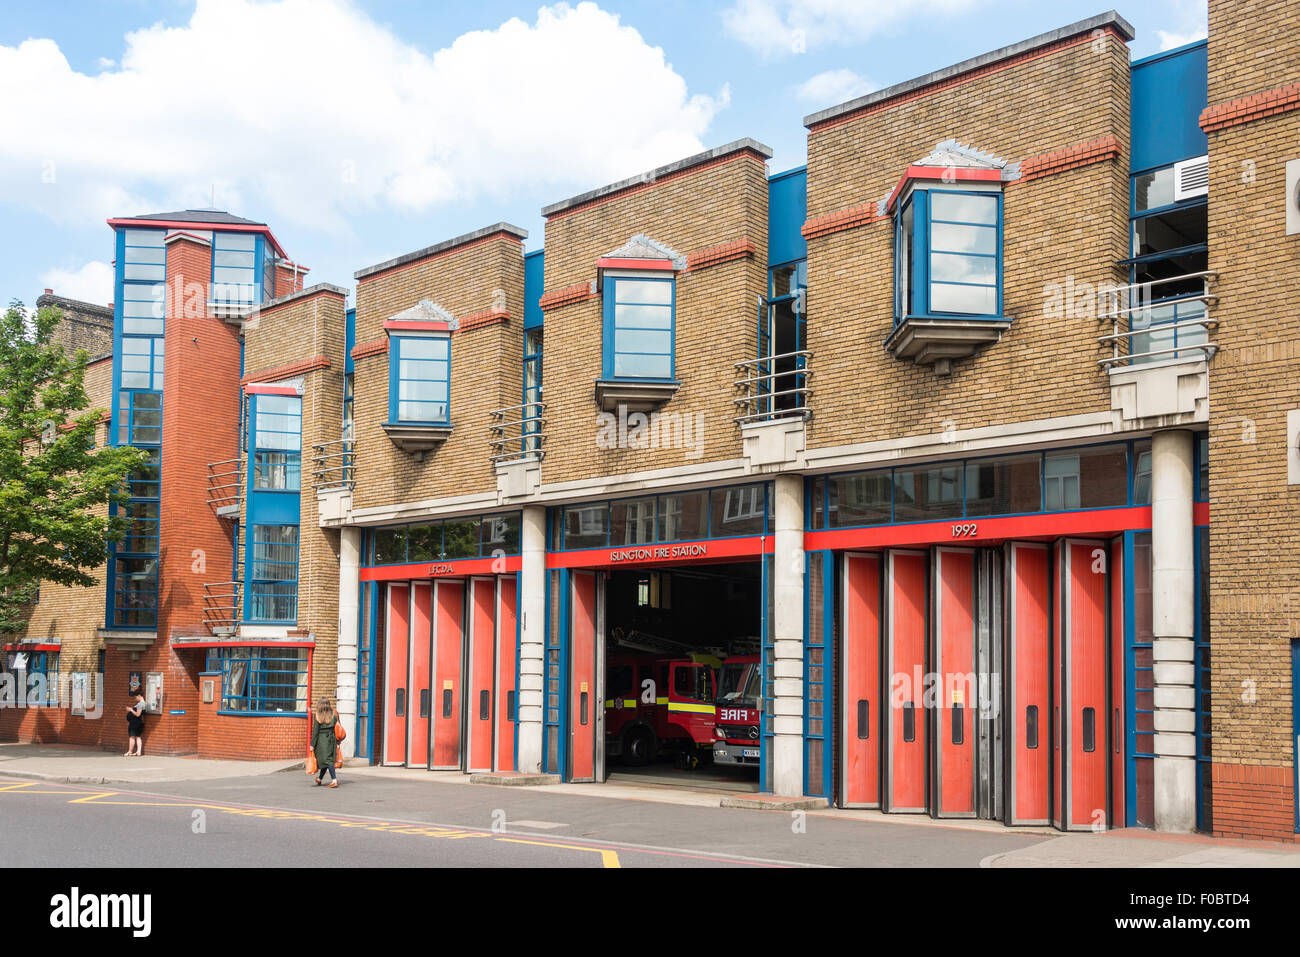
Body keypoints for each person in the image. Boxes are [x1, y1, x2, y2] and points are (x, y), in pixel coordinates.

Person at [310, 698, 340, 788]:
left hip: (322, 740)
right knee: (327, 759)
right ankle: (319, 779)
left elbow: (315, 732)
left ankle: (334, 780)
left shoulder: (318, 716)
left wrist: (312, 744)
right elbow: (338, 728)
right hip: (332, 738)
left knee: (327, 760)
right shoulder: (334, 714)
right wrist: (338, 741)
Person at [124, 691, 145, 757]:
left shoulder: (140, 704)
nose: (135, 699)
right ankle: (138, 751)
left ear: (139, 695)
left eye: (135, 697)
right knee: (138, 737)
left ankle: (130, 751)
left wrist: (131, 710)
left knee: (132, 737)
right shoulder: (143, 703)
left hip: (135, 723)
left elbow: (138, 714)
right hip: (138, 722)